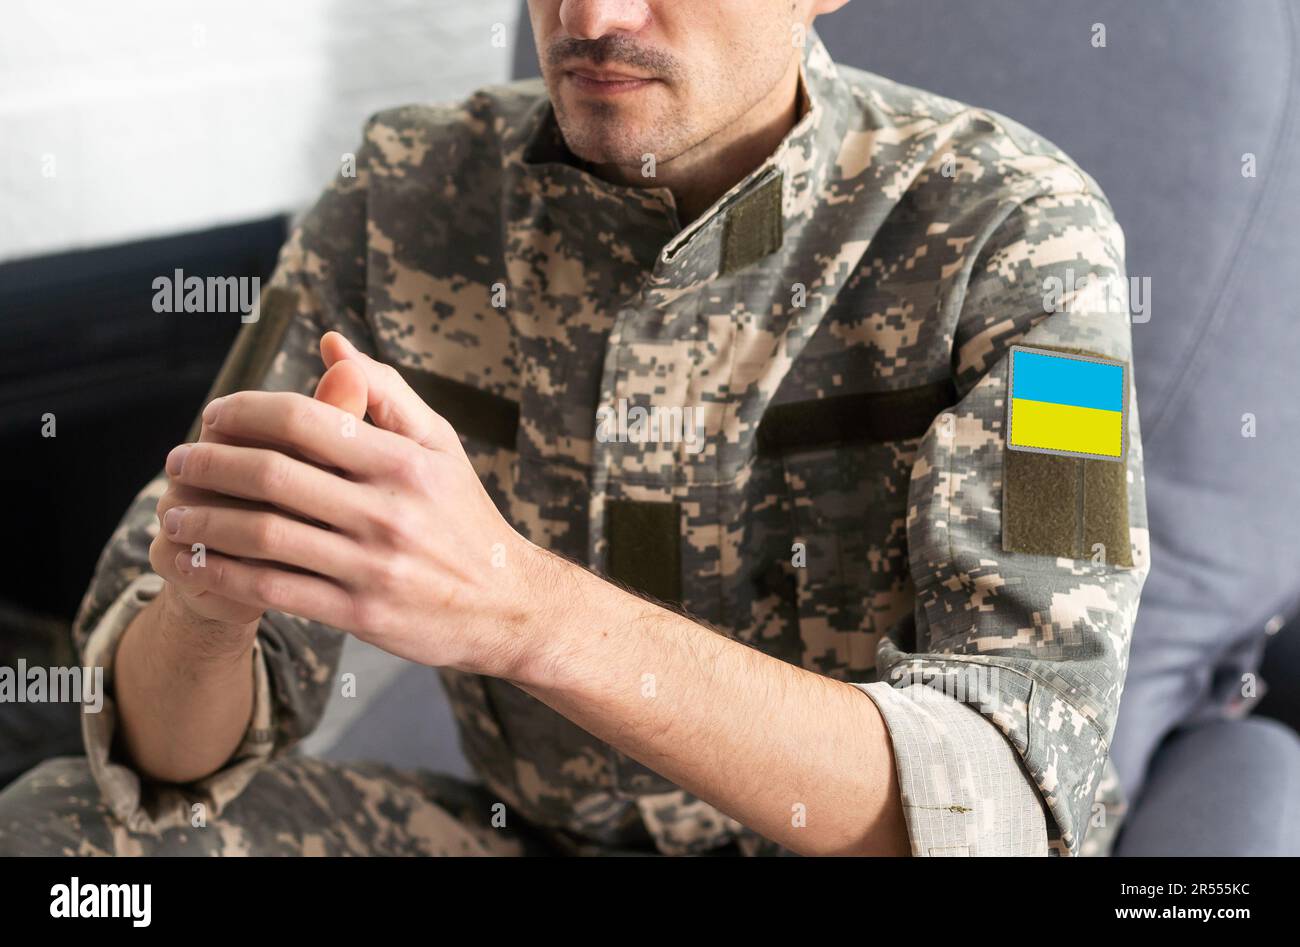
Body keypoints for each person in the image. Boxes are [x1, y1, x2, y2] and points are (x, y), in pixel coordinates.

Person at [0, 0, 1148, 856]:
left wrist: (516, 606)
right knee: (66, 843)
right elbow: (158, 758)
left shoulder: (1028, 237)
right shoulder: (397, 194)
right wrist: (208, 609)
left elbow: (1007, 796)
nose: (589, 18)